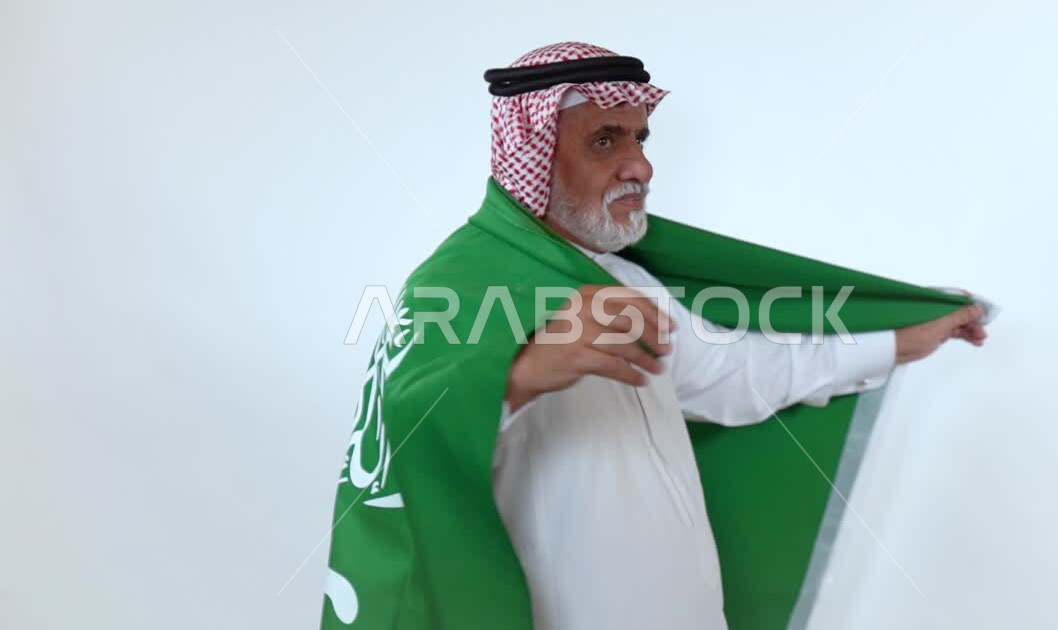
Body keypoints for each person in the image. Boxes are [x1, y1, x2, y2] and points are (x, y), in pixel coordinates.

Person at [321, 41, 989, 630]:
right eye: (606, 141)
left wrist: (900, 340)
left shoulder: (626, 281)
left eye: (641, 139)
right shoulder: (457, 282)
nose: (640, 167)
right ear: (532, 151)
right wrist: (516, 373)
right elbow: (402, 439)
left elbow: (736, 375)